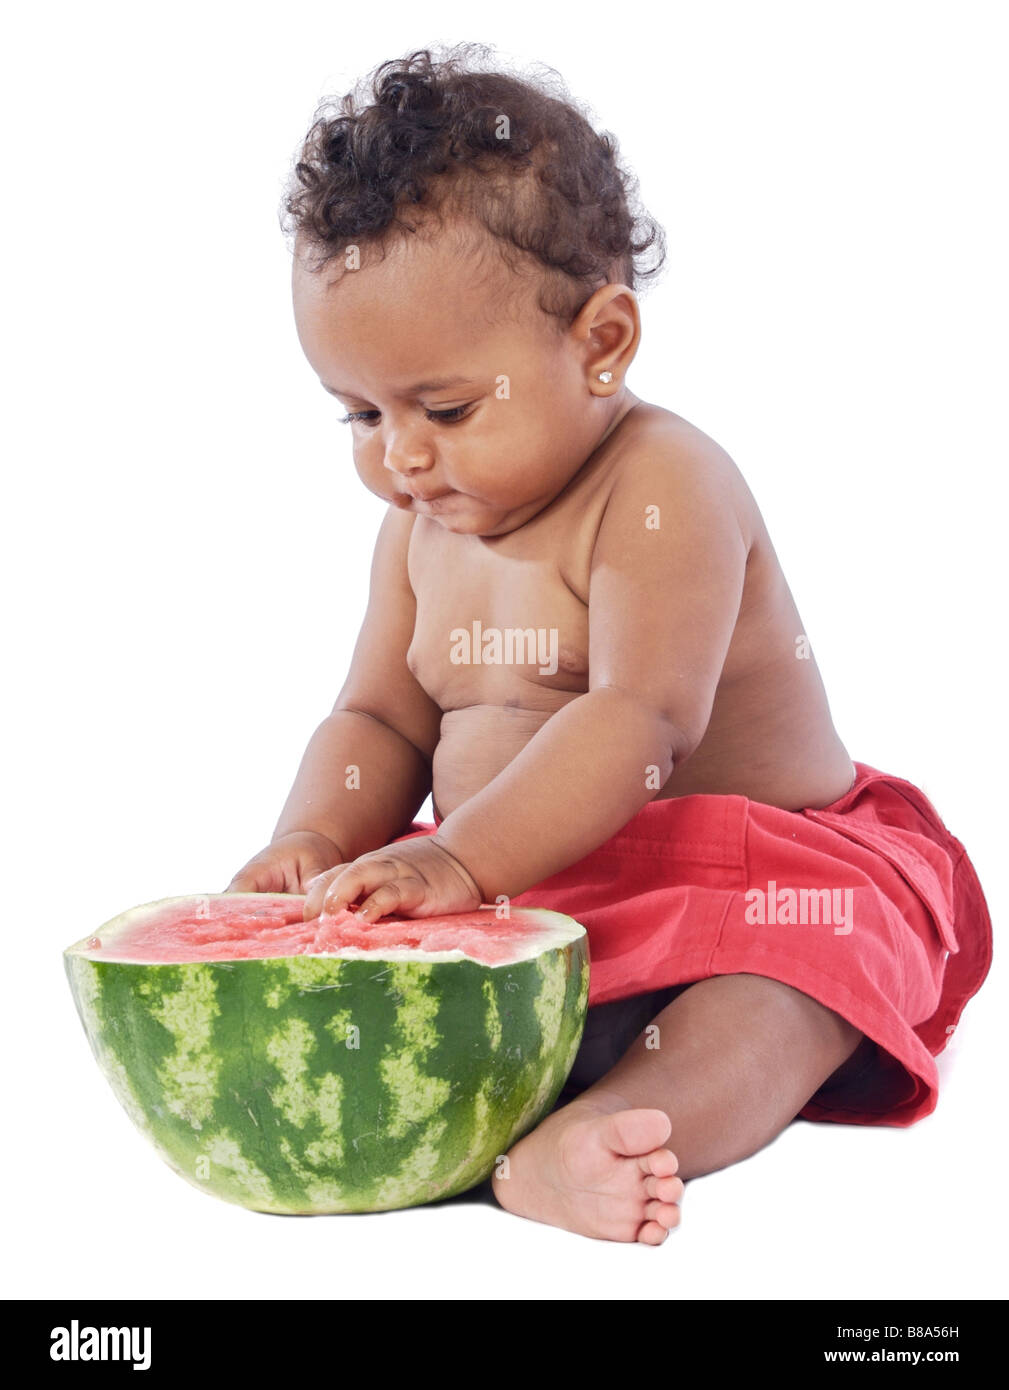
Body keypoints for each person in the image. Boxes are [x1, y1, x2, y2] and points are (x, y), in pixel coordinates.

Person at [227, 44, 992, 1244]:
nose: (401, 458)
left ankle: (621, 1126)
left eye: (444, 408)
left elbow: (640, 718)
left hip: (751, 880)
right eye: (360, 415)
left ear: (599, 342)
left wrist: (459, 863)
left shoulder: (664, 487)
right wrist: (314, 838)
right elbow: (377, 718)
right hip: (526, 893)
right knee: (367, 971)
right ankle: (504, 1100)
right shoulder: (418, 525)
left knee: (799, 975)